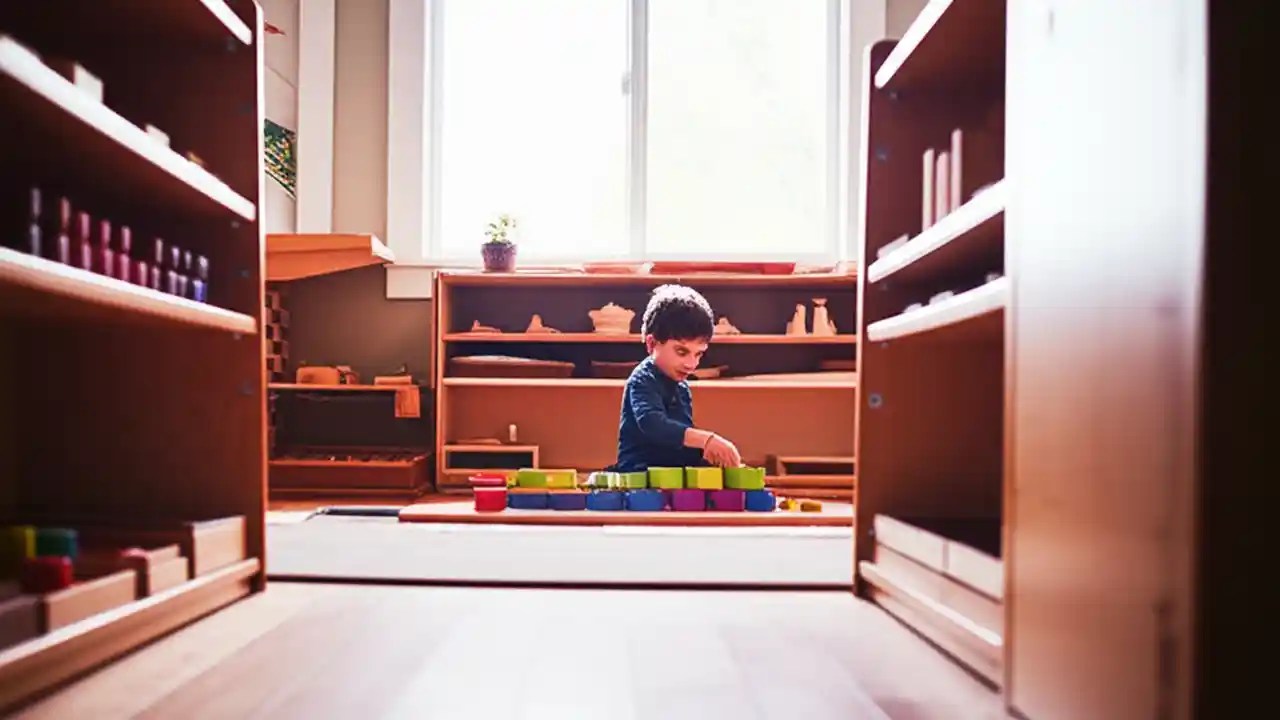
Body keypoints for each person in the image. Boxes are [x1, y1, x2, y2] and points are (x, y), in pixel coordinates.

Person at [611, 284, 743, 472]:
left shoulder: (681, 387)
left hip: (671, 476)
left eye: (698, 354)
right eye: (682, 352)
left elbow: (678, 443)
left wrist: (711, 457)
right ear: (652, 343)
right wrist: (707, 440)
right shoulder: (642, 379)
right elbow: (652, 424)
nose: (691, 364)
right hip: (639, 476)